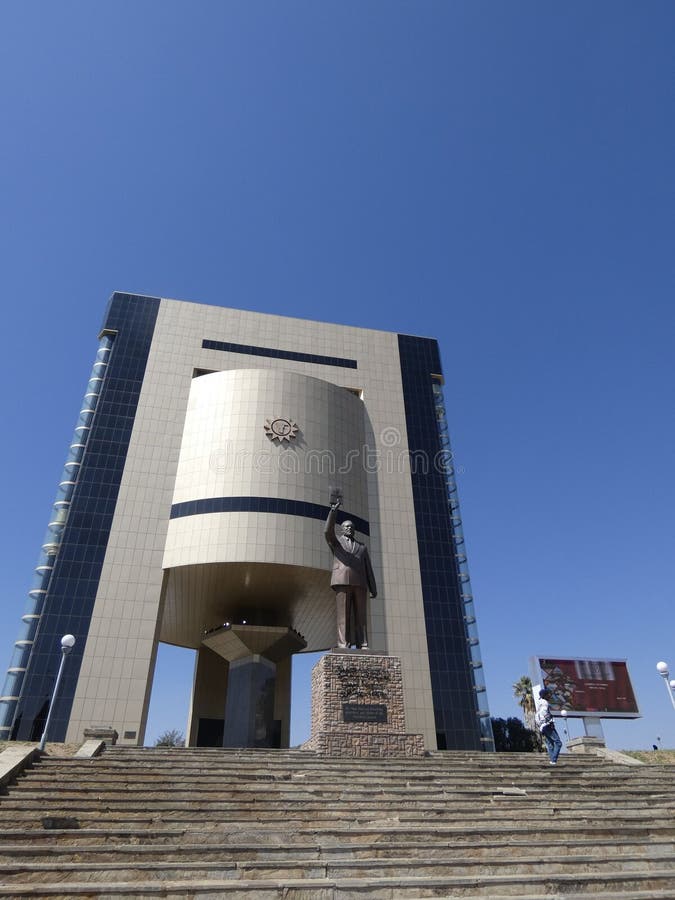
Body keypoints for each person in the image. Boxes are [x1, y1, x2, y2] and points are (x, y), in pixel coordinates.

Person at [324, 498, 377, 650]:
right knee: (343, 617)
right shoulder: (336, 542)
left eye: (352, 527)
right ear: (342, 529)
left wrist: (373, 587)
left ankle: (363, 644)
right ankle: (343, 644)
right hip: (342, 582)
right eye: (347, 527)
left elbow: (368, 568)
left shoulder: (362, 547)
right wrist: (333, 511)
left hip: (360, 584)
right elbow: (327, 531)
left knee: (361, 617)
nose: (349, 529)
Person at [536, 688, 563, 765]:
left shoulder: (539, 703)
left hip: (542, 726)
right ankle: (553, 760)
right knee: (558, 743)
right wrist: (549, 721)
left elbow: (537, 715)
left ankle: (552, 761)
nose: (549, 695)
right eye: (548, 694)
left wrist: (540, 724)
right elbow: (544, 712)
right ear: (545, 695)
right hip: (547, 724)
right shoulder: (545, 703)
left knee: (550, 744)